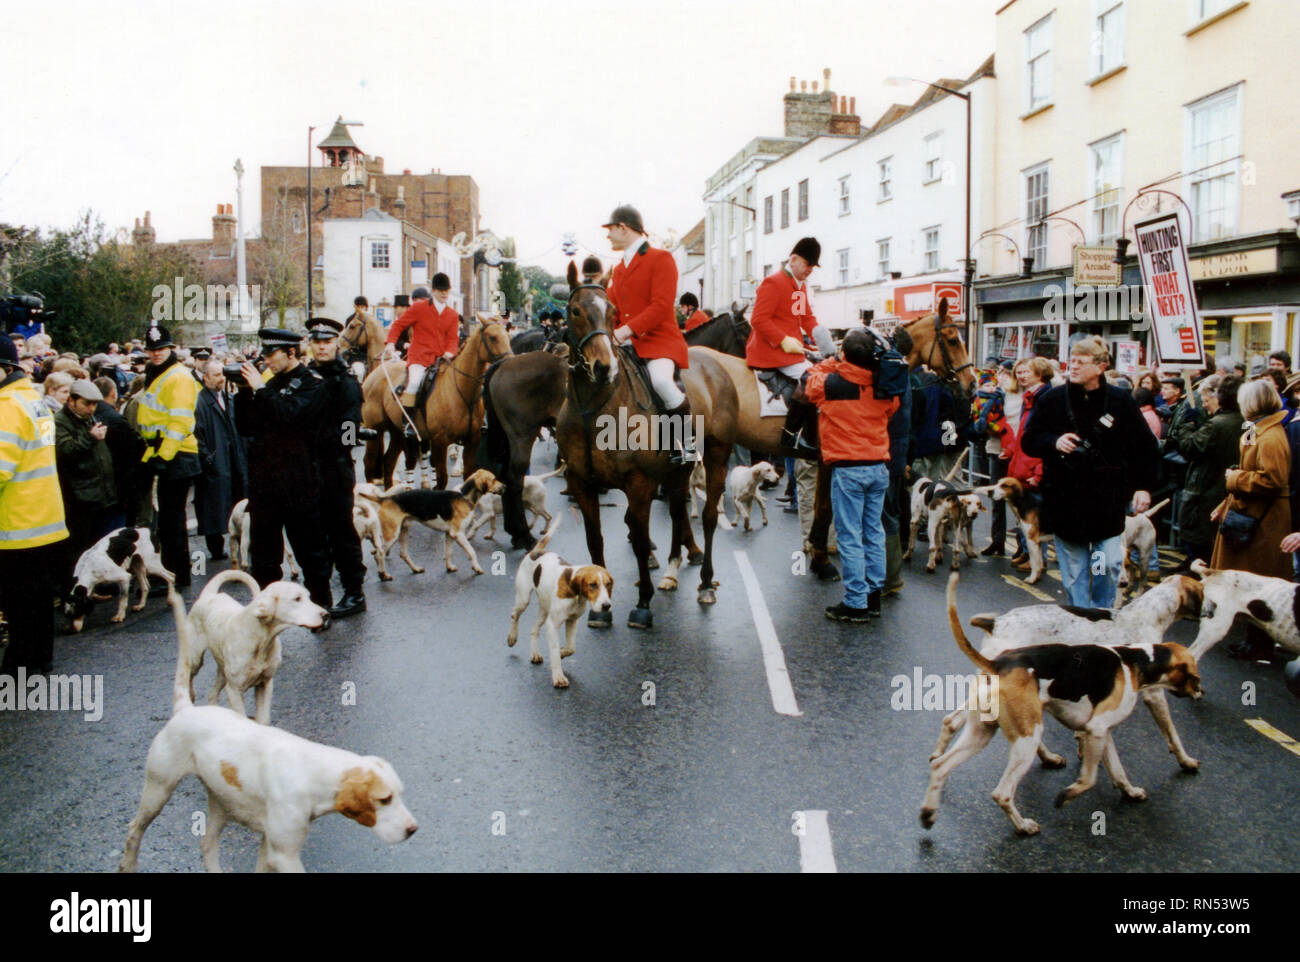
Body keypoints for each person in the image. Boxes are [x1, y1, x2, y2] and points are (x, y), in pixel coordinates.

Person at [1021, 336, 1158, 608]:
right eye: (1072, 361)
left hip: (1106, 502)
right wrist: (1054, 441)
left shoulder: (1120, 401)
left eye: (1081, 363)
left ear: (1100, 367)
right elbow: (1029, 440)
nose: (1073, 367)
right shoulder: (1053, 399)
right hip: (1066, 501)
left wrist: (1143, 486)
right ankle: (1082, 620)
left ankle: (1101, 611)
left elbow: (1144, 446)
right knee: (1075, 572)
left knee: (1106, 563)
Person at [234, 328, 333, 613]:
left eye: (270, 354)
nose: (265, 361)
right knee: (264, 553)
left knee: (309, 548)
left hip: (298, 479)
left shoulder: (312, 384)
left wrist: (261, 391)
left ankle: (320, 604)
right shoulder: (270, 384)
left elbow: (289, 417)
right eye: (263, 354)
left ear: (291, 353)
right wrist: (243, 393)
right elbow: (247, 427)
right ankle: (267, 609)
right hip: (265, 482)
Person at [804, 329, 900, 622]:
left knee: (849, 537)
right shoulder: (886, 385)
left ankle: (855, 602)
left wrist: (831, 360)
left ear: (845, 354)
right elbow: (891, 410)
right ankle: (873, 596)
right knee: (873, 532)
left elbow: (810, 383)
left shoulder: (831, 384)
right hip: (877, 467)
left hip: (848, 469)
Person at [603, 204, 697, 464]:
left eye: (610, 230)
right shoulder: (619, 269)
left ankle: (688, 444)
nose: (607, 236)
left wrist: (625, 331)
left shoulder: (661, 258)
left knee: (662, 382)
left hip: (660, 341)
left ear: (623, 228)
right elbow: (614, 308)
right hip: (627, 343)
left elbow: (661, 306)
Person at [0, 333, 67, 675]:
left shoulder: (6, 408)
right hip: (44, 518)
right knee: (39, 600)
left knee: (19, 603)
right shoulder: (32, 399)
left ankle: (19, 668)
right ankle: (39, 661)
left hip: (17, 523)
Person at [745, 237, 835, 459]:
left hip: (793, 350)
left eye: (813, 267)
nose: (810, 270)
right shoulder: (773, 282)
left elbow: (806, 319)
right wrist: (782, 339)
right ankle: (790, 435)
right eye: (808, 265)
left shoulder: (798, 287)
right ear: (793, 259)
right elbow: (758, 319)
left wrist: (825, 341)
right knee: (812, 378)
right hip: (772, 351)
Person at [307, 317, 368, 619]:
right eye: (316, 342)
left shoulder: (346, 382)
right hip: (307, 468)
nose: (321, 347)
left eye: (327, 341)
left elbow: (350, 429)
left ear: (336, 344)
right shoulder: (305, 378)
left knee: (341, 531)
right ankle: (321, 595)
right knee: (314, 534)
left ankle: (354, 591)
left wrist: (327, 443)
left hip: (334, 466)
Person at [137, 324, 201, 589]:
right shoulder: (160, 373)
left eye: (161, 349)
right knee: (169, 521)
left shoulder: (178, 377)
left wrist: (163, 457)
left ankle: (176, 575)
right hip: (166, 452)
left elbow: (180, 421)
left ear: (170, 348)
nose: (156, 354)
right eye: (152, 350)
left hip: (175, 454)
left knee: (171, 522)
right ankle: (175, 574)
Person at [54, 379, 120, 585]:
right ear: (71, 400)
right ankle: (73, 589)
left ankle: (90, 585)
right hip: (79, 494)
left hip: (97, 490)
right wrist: (90, 438)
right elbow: (64, 451)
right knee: (77, 546)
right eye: (87, 403)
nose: (92, 408)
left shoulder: (87, 417)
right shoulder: (60, 421)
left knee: (93, 544)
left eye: (94, 404)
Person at [1175, 374, 1242, 567]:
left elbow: (1189, 447)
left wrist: (1188, 424)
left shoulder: (1216, 425)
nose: (1204, 405)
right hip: (1225, 490)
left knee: (1201, 553)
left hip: (1205, 493)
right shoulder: (1248, 424)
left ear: (1219, 398)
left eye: (1206, 400)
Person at [383, 278, 459, 438]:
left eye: (447, 290)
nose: (444, 293)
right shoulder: (419, 308)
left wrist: (450, 352)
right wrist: (390, 342)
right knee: (415, 383)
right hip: (419, 358)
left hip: (441, 359)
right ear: (433, 291)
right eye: (441, 290)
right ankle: (408, 421)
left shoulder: (452, 315)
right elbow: (398, 325)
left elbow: (453, 339)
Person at [194, 359, 247, 561]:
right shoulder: (200, 402)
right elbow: (198, 435)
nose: (221, 379)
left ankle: (241, 545)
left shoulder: (229, 398)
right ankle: (216, 549)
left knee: (238, 502)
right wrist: (209, 460)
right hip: (216, 464)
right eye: (216, 375)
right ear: (205, 377)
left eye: (222, 374)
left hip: (233, 462)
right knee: (213, 508)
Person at [91, 375, 145, 538]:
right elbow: (135, 447)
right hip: (121, 481)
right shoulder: (115, 419)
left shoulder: (92, 417)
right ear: (113, 393)